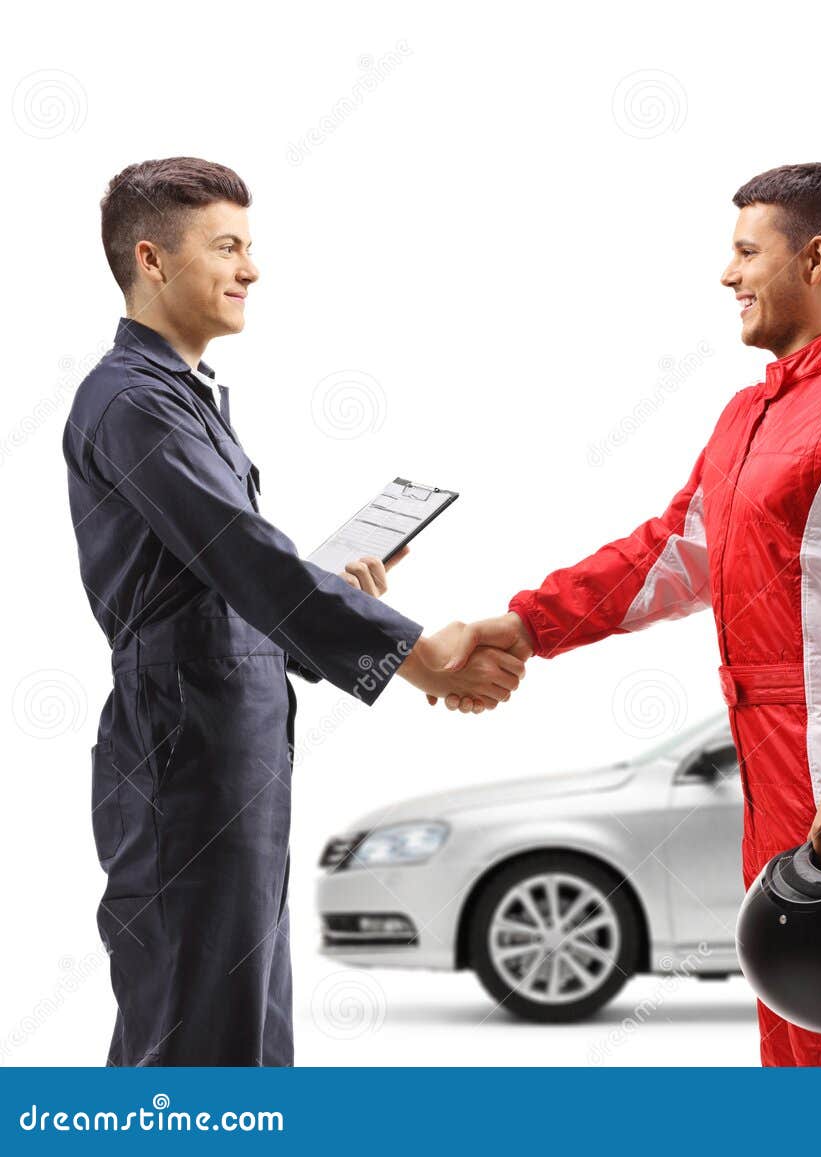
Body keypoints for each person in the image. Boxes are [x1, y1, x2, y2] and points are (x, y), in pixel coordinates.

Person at [441, 163, 821, 1066]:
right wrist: (527, 626)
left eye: (746, 251)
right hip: (771, 749)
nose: (728, 274)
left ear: (817, 260)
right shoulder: (749, 415)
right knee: (787, 1018)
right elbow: (672, 556)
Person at [62, 157, 522, 1066]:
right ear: (151, 261)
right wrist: (416, 654)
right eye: (226, 246)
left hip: (227, 748)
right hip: (184, 752)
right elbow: (241, 558)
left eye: (249, 246)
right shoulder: (131, 402)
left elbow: (218, 585)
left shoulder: (184, 399)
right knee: (193, 1031)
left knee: (243, 1027)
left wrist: (336, 598)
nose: (250, 269)